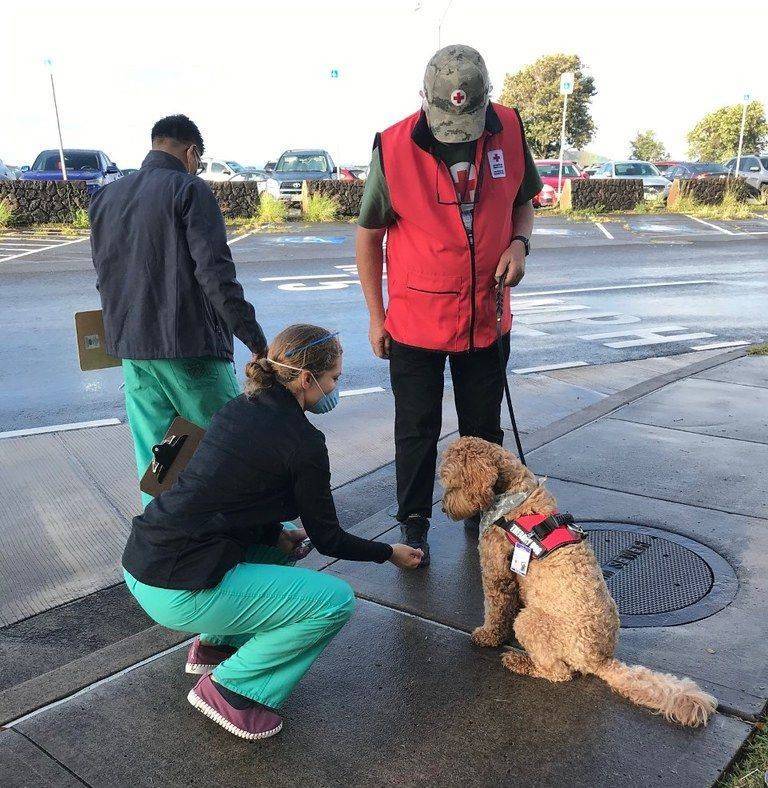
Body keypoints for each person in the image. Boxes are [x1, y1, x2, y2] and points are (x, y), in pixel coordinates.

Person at [122, 324, 423, 740]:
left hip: (142, 562)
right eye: (334, 378)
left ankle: (217, 647)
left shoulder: (238, 408)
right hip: (176, 589)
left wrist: (273, 536)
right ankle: (233, 689)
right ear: (306, 378)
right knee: (334, 602)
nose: (335, 387)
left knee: (284, 543)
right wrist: (388, 551)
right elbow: (330, 538)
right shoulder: (304, 443)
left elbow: (229, 498)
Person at [356, 45, 543, 566]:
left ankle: (486, 516)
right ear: (426, 100)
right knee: (415, 429)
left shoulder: (508, 126)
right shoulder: (393, 147)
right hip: (416, 322)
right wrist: (376, 316)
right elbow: (369, 237)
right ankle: (413, 524)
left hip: (487, 315)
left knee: (483, 427)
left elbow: (522, 203)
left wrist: (519, 245)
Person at [89, 114, 267, 506]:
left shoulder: (106, 197)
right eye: (198, 160)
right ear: (191, 152)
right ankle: (259, 544)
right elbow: (216, 275)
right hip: (190, 350)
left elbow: (105, 276)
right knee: (228, 447)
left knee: (162, 460)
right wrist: (254, 338)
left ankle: (158, 551)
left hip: (134, 351)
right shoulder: (189, 189)